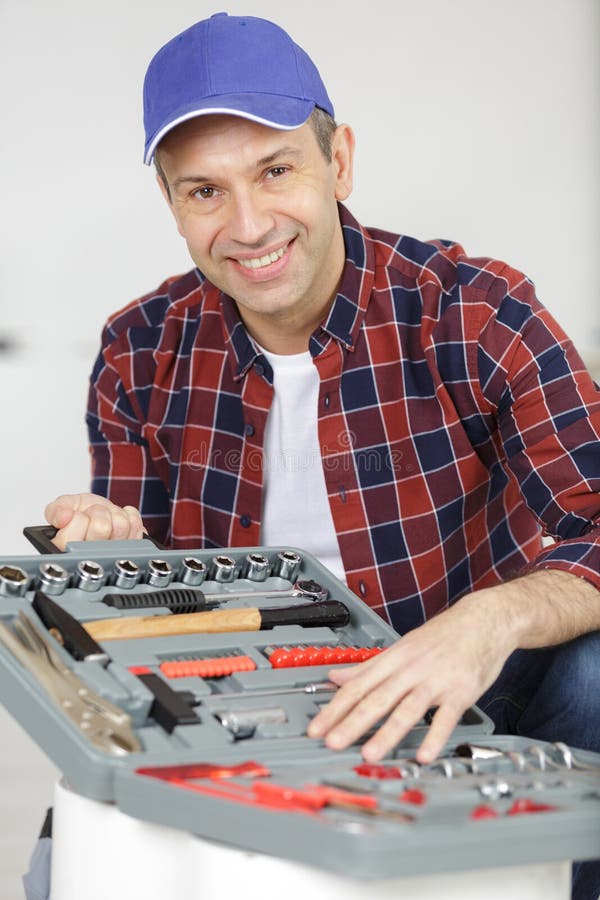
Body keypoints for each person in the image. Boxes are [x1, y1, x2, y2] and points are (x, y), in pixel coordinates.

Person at [42, 13, 599, 899]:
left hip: (482, 694)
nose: (250, 223)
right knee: (65, 857)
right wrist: (108, 550)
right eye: (204, 191)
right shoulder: (138, 351)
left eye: (275, 170)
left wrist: (489, 620)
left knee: (596, 669)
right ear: (172, 204)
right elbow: (134, 623)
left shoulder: (477, 313)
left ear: (337, 162)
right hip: (258, 711)